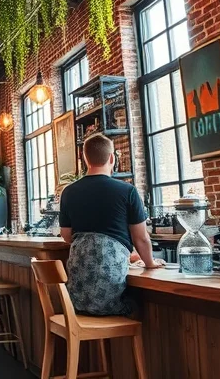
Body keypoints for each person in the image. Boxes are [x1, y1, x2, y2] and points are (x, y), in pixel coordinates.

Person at [59, 134, 164, 316]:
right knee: (142, 308)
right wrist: (150, 263)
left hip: (75, 302)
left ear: (85, 159)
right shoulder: (127, 191)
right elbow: (141, 238)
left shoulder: (68, 192)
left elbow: (67, 236)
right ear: (112, 158)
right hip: (112, 304)